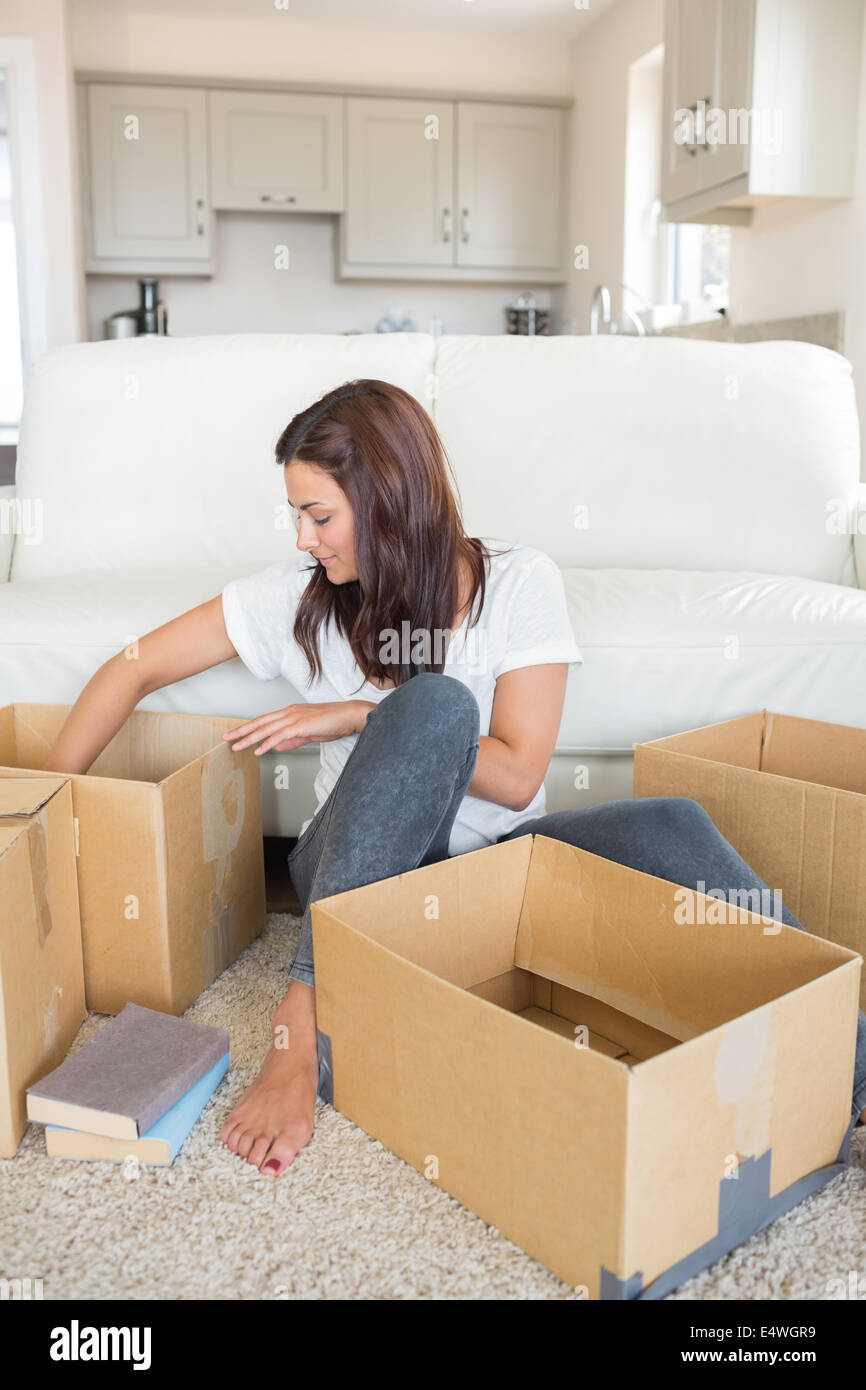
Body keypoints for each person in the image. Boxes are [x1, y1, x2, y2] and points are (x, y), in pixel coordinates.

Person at [45, 378, 866, 1177]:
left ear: (393, 503)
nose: (303, 537)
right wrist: (41, 806)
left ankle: (848, 1063)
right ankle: (301, 1022)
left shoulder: (520, 582)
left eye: (319, 515)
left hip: (494, 871)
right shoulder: (295, 600)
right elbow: (136, 665)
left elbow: (516, 777)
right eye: (298, 514)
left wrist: (356, 715)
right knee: (434, 704)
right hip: (356, 873)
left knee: (672, 820)